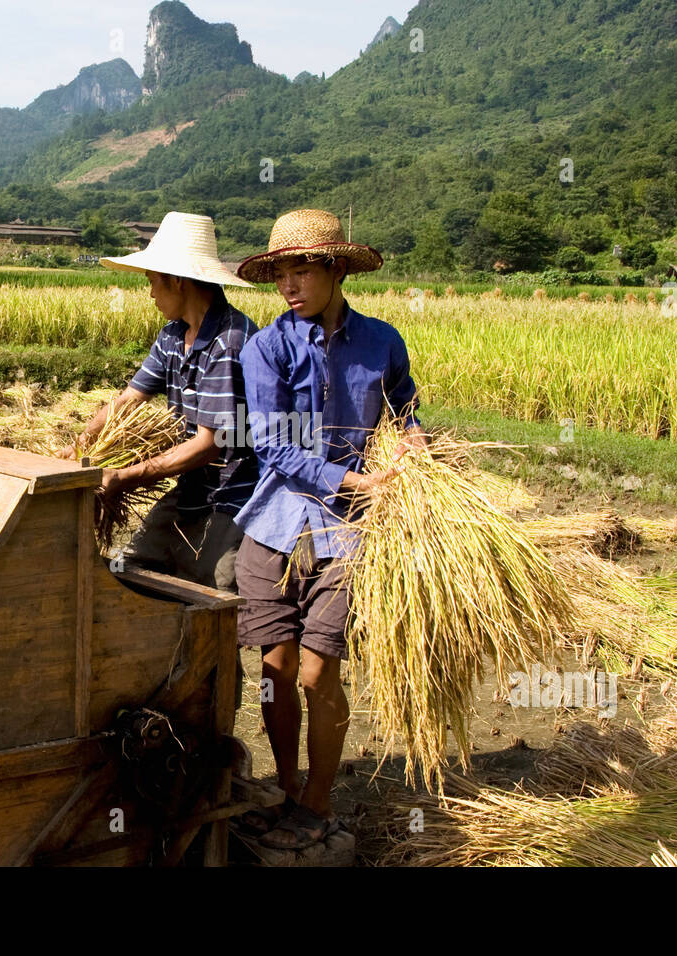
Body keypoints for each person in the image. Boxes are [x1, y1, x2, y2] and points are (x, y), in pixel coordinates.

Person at [232, 209, 427, 851]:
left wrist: (406, 449)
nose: (289, 284)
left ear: (337, 269)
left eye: (303, 269)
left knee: (319, 673)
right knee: (276, 668)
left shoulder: (382, 342)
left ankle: (316, 804)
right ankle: (286, 787)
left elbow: (405, 410)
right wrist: (350, 481)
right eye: (280, 273)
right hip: (275, 525)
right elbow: (272, 445)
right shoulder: (267, 348)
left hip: (346, 535)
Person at [58, 212, 258, 590]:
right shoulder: (173, 335)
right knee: (129, 573)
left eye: (153, 282)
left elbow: (209, 445)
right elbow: (129, 399)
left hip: (232, 498)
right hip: (190, 490)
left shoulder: (229, 341)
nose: (150, 293)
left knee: (214, 599)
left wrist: (126, 476)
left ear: (178, 281)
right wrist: (84, 444)